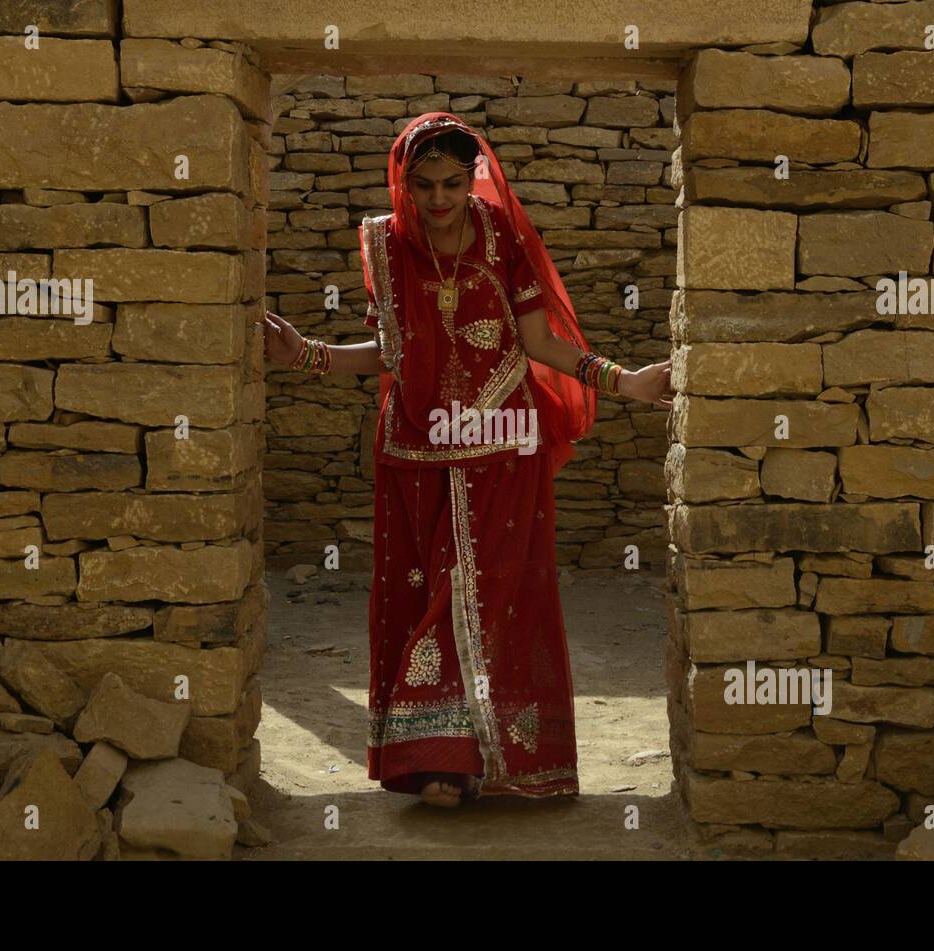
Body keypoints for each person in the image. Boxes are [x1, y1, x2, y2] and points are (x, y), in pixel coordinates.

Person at [262, 111, 673, 809]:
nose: (442, 199)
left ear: (473, 177)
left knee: (489, 600)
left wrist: (624, 379)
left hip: (503, 445)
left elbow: (538, 340)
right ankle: (437, 760)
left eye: (456, 182)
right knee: (427, 597)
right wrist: (306, 354)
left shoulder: (501, 233)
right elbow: (391, 355)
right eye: (425, 186)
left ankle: (473, 760)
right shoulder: (386, 247)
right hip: (415, 450)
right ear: (406, 184)